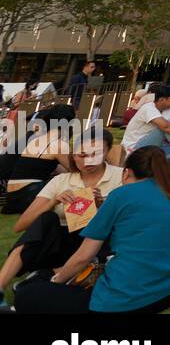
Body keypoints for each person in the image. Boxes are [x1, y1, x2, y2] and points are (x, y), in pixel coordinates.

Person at [13, 146, 170, 314]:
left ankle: (42, 281)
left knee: (26, 295)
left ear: (127, 172)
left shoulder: (121, 194)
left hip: (127, 300)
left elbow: (83, 257)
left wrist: (56, 282)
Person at [0, 128, 121, 311]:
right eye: (81, 155)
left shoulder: (121, 176)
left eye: (95, 154)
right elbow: (21, 225)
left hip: (99, 244)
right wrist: (54, 201)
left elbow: (134, 218)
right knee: (46, 219)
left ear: (107, 151)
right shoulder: (61, 180)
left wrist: (103, 205)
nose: (88, 161)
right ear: (73, 156)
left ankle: (46, 277)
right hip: (64, 242)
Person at [120, 86, 170, 160]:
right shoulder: (148, 108)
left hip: (156, 144)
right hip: (135, 147)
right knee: (165, 127)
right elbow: (166, 127)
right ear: (161, 99)